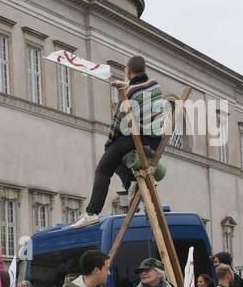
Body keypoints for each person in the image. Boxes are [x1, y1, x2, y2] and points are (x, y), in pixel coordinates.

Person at [68, 55, 170, 229]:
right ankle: (128, 177)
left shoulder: (129, 93)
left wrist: (109, 141)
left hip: (136, 138)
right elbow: (141, 92)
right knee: (115, 156)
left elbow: (119, 122)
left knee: (103, 168)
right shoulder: (155, 86)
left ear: (129, 71)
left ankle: (92, 212)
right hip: (154, 140)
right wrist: (125, 87)